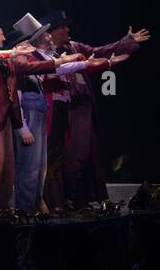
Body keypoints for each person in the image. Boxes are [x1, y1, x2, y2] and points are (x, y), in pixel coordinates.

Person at [0, 18, 77, 219]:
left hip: (6, 117)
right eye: (0, 34)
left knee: (8, 166)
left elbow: (32, 68)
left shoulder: (6, 59)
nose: (4, 37)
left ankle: (4, 208)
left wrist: (59, 62)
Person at [9, 14, 121, 214]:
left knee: (41, 165)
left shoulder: (39, 57)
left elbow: (63, 67)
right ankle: (26, 207)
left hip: (41, 110)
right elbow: (18, 92)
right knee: (31, 164)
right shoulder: (22, 60)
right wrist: (22, 126)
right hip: (31, 112)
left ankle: (36, 204)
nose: (47, 38)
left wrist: (92, 63)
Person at [41, 12, 148, 208]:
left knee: (82, 155)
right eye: (63, 27)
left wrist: (126, 41)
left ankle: (79, 198)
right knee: (60, 157)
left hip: (82, 109)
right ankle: (61, 200)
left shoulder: (75, 46)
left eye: (67, 27)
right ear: (51, 32)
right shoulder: (46, 53)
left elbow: (100, 52)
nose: (67, 30)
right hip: (59, 109)